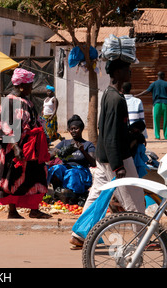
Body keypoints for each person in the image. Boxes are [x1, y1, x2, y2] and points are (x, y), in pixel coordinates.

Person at [70, 58, 145, 248]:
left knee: (96, 197)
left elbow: (111, 130)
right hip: (116, 158)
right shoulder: (115, 99)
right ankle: (143, 237)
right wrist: (118, 165)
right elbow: (111, 134)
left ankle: (79, 235)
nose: (130, 73)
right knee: (133, 197)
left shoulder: (109, 95)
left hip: (103, 158)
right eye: (128, 70)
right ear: (118, 72)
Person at [0, 68, 51, 219]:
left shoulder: (27, 102)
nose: (31, 88)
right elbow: (4, 127)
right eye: (29, 85)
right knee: (13, 179)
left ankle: (34, 209)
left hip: (31, 148)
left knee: (37, 177)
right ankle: (12, 211)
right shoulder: (9, 102)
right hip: (15, 149)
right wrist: (16, 147)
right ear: (20, 86)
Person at [48, 115, 96, 203]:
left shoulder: (87, 144)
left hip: (80, 172)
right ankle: (58, 192)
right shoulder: (64, 143)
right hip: (65, 168)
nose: (73, 131)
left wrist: (83, 151)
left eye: (76, 128)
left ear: (81, 129)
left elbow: (93, 163)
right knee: (56, 169)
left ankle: (73, 195)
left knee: (72, 173)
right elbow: (50, 155)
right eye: (71, 129)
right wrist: (58, 152)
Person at [135, 71, 167, 139]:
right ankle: (166, 135)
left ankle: (157, 136)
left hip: (157, 104)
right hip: (165, 104)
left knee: (156, 120)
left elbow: (146, 91)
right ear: (164, 76)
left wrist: (137, 95)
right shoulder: (166, 84)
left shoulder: (154, 84)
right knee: (166, 121)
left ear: (157, 76)